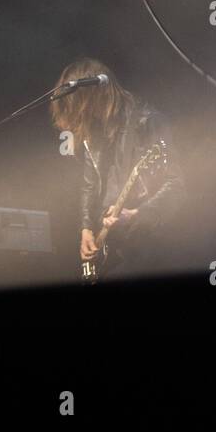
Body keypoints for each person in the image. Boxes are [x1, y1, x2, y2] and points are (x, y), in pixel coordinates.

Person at [50, 58, 184, 280]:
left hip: (146, 248)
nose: (78, 116)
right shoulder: (93, 134)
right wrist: (86, 229)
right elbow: (89, 186)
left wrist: (137, 215)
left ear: (91, 97)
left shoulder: (147, 122)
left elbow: (176, 185)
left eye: (77, 105)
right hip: (110, 244)